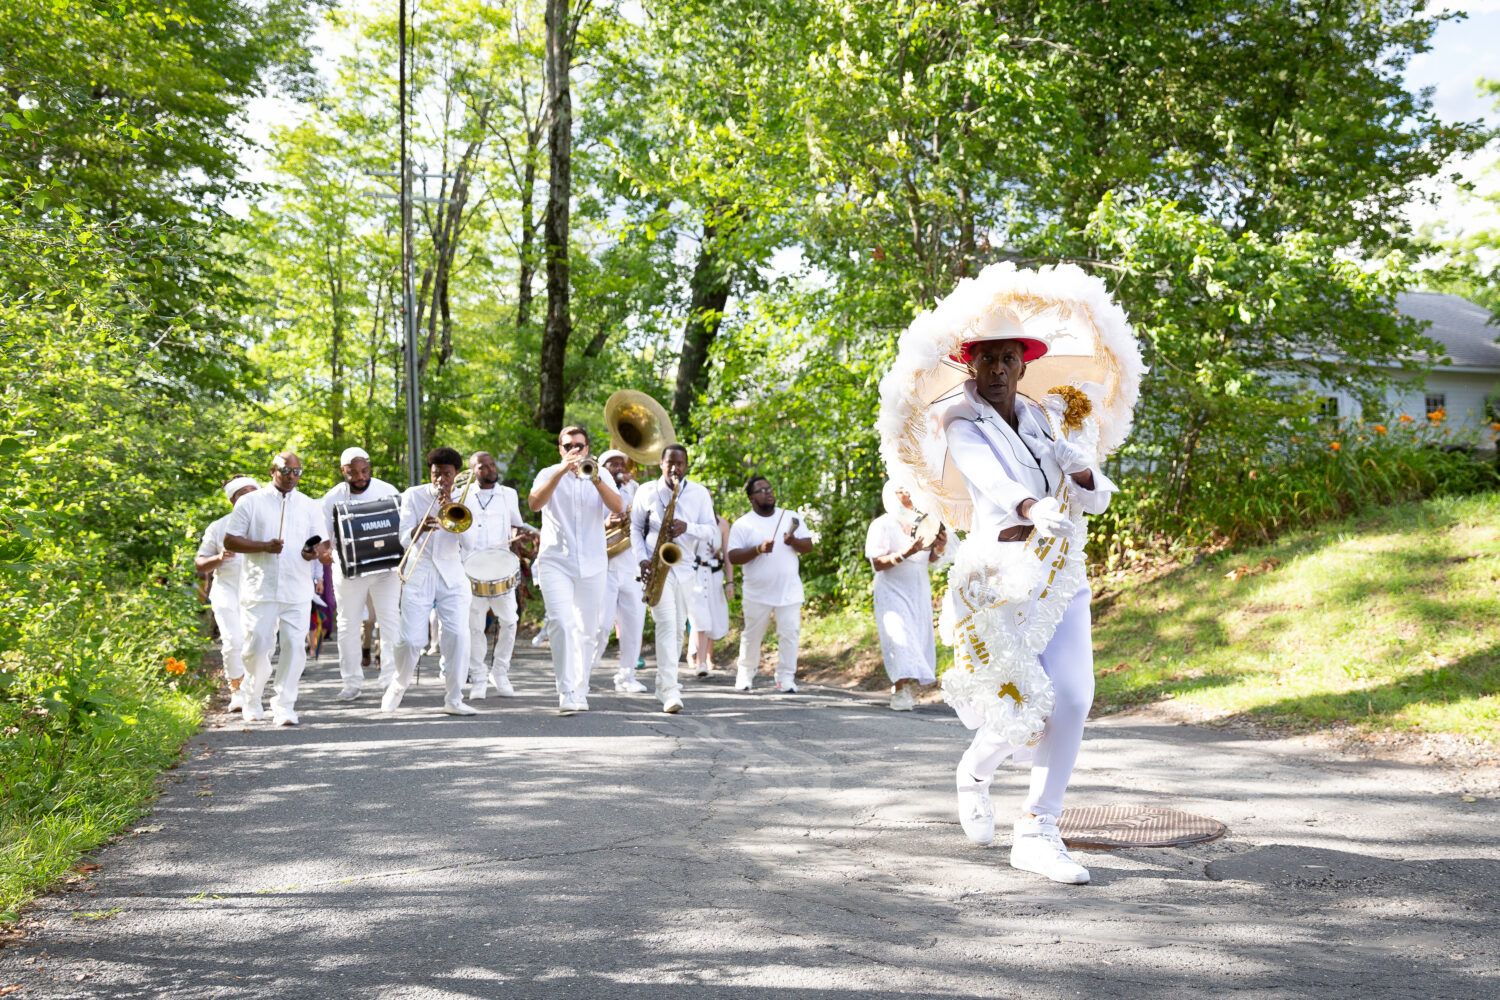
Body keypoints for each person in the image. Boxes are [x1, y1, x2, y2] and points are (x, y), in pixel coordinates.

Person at [944, 334, 1116, 885]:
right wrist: (1030, 503)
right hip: (999, 578)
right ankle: (974, 771)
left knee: (1072, 696)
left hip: (1061, 572)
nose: (997, 368)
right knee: (1021, 703)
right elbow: (989, 480)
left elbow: (1095, 496)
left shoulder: (1046, 419)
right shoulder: (960, 420)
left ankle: (1038, 829)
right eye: (986, 358)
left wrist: (1081, 468)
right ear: (971, 363)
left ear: (1024, 365)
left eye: (1008, 359)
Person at [223, 453, 332, 726]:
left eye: (298, 471)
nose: (293, 476)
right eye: (287, 470)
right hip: (260, 587)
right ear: (273, 470)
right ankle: (251, 696)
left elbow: (323, 543)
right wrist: (263, 546)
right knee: (257, 648)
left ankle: (284, 705)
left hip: (297, 588)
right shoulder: (250, 502)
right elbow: (230, 540)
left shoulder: (308, 505)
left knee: (295, 647)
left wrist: (313, 553)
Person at [528, 426, 624, 714]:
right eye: (568, 445)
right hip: (556, 560)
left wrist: (595, 478)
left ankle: (581, 687)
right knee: (561, 622)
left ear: (587, 447)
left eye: (579, 445)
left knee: (588, 630)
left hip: (594, 562)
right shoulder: (548, 473)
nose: (575, 450)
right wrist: (561, 471)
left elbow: (618, 506)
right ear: (560, 448)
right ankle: (566, 690)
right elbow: (534, 503)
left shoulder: (600, 473)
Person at [382, 447, 481, 716]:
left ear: (456, 474)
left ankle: (454, 698)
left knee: (458, 637)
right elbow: (404, 538)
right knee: (410, 641)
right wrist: (419, 526)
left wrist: (451, 507)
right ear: (431, 472)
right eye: (437, 473)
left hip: (452, 573)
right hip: (420, 571)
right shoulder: (413, 495)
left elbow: (470, 544)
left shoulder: (467, 496)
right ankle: (399, 682)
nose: (441, 479)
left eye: (447, 474)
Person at [630, 444, 717, 714]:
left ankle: (662, 684)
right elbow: (634, 527)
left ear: (686, 465)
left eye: (680, 463)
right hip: (657, 566)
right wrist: (641, 558)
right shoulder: (646, 491)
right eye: (670, 463)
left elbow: (712, 531)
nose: (674, 468)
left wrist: (687, 527)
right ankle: (670, 690)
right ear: (661, 463)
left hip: (685, 566)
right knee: (667, 623)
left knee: (679, 629)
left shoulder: (699, 493)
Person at [319, 447, 402, 701]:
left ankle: (390, 678)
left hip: (386, 568)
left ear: (370, 467)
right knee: (348, 624)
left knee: (390, 620)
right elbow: (325, 539)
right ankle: (352, 682)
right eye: (352, 472)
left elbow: (403, 525)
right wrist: (325, 552)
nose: (359, 476)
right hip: (349, 570)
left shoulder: (388, 490)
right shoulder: (331, 498)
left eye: (364, 470)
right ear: (342, 471)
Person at [866, 484, 950, 711]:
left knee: (917, 637)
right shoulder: (882, 524)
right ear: (891, 495)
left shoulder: (926, 522)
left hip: (918, 588)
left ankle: (909, 686)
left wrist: (939, 547)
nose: (909, 492)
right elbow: (877, 562)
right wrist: (906, 553)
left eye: (909, 487)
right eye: (901, 489)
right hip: (892, 590)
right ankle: (900, 689)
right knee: (899, 636)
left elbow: (931, 559)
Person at [727, 476, 813, 693]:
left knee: (790, 633)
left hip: (789, 591)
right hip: (757, 592)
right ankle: (745, 674)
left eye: (770, 488)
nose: (768, 492)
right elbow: (733, 556)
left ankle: (785, 677)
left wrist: (792, 541)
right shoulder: (743, 524)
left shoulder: (790, 516)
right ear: (751, 498)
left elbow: (808, 546)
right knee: (752, 635)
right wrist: (757, 549)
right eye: (761, 490)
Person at [461, 451, 529, 700]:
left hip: (501, 566)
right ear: (472, 471)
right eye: (483, 466)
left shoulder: (508, 494)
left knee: (510, 620)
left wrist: (522, 534)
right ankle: (478, 677)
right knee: (474, 626)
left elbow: (516, 523)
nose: (490, 469)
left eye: (492, 464)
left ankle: (500, 672)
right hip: (471, 568)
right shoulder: (463, 495)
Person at [194, 476, 258, 712]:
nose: (248, 498)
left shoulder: (268, 523)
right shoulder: (218, 527)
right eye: (242, 494)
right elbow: (200, 564)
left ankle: (255, 688)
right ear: (233, 500)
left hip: (259, 591)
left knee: (257, 645)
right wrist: (219, 558)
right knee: (233, 641)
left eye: (253, 492)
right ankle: (237, 691)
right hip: (226, 589)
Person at [594, 450, 648, 694]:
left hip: (632, 566)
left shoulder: (636, 489)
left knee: (634, 625)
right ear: (601, 467)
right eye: (611, 464)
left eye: (620, 463)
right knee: (600, 626)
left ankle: (627, 676)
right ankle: (583, 672)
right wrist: (606, 523)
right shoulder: (592, 487)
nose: (617, 467)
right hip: (602, 567)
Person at [688, 515, 732, 677]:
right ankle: (700, 662)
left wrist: (730, 581)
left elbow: (727, 555)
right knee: (700, 616)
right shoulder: (690, 520)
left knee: (713, 615)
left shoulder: (723, 524)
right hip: (694, 574)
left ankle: (707, 657)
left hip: (714, 575)